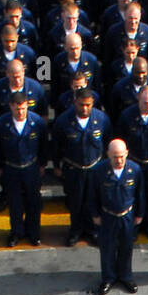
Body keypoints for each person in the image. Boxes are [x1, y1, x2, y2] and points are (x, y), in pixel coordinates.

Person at [52, 87, 110, 246]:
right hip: (74, 168)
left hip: (95, 168)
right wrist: (57, 165)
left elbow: (107, 142)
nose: (84, 108)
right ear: (74, 103)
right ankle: (75, 231)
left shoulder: (102, 119)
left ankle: (93, 231)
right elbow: (57, 146)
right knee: (75, 202)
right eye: (81, 105)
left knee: (93, 201)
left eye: (88, 105)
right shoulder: (63, 121)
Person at [0, 90, 49, 247]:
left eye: (23, 108)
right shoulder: (2, 124)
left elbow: (44, 145)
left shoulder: (37, 123)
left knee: (33, 203)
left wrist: (42, 165)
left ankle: (34, 232)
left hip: (31, 168)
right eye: (17, 108)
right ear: (10, 106)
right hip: (11, 169)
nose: (20, 112)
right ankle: (16, 232)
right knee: (15, 204)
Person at [87, 138, 144, 294]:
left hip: (127, 216)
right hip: (107, 216)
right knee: (107, 248)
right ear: (108, 155)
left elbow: (140, 194)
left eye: (121, 156)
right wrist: (95, 214)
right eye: (114, 157)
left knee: (127, 247)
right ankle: (108, 278)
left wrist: (140, 214)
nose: (119, 160)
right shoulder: (99, 171)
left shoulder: (135, 170)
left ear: (127, 153)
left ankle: (126, 276)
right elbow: (92, 195)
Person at [116, 83, 148, 239]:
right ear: (138, 99)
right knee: (133, 195)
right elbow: (121, 138)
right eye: (145, 102)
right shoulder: (127, 116)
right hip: (133, 162)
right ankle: (134, 226)